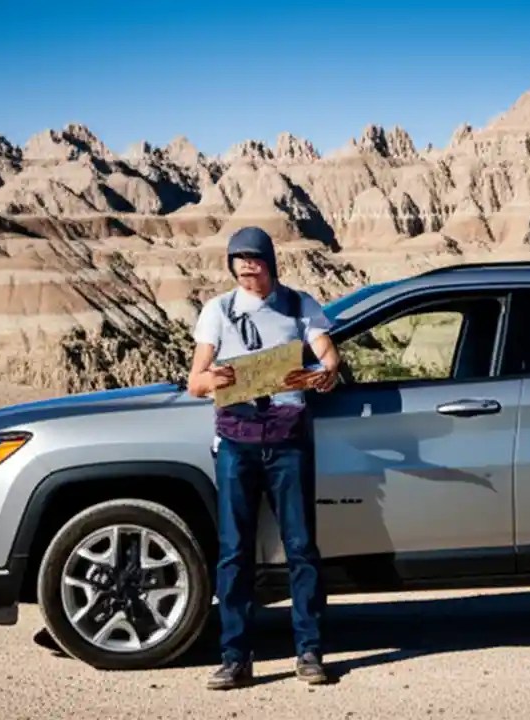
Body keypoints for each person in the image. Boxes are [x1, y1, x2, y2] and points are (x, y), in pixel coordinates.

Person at [187, 225, 341, 690]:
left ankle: (309, 651)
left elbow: (327, 353)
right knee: (234, 552)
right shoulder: (218, 310)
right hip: (236, 442)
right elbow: (195, 382)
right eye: (240, 263)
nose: (247, 270)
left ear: (271, 263)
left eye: (254, 262)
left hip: (288, 442)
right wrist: (213, 380)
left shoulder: (298, 305)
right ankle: (235, 657)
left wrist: (327, 371)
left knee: (301, 547)